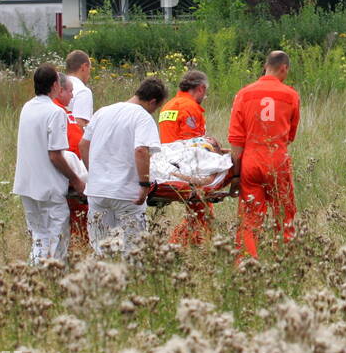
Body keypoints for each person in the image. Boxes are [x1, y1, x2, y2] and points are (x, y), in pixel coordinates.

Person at [81, 78, 167, 255]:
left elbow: (83, 144)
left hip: (97, 192)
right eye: (156, 108)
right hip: (126, 193)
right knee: (133, 251)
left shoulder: (102, 112)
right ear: (152, 101)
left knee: (102, 249)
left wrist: (94, 173)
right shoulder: (142, 117)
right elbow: (141, 150)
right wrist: (144, 185)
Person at [228, 51, 301, 258]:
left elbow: (236, 142)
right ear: (284, 68)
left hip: (250, 162)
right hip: (277, 160)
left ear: (265, 66)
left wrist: (236, 175)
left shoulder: (244, 94)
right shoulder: (291, 95)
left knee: (249, 218)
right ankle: (284, 260)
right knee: (284, 215)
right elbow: (290, 136)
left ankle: (246, 263)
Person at [12, 65, 86, 265]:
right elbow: (55, 155)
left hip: (27, 185)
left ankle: (34, 274)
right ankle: (53, 276)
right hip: (48, 187)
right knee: (56, 239)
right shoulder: (55, 112)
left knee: (39, 237)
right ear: (54, 85)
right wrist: (76, 180)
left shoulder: (27, 107)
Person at [158, 69, 215, 245]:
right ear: (200, 88)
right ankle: (179, 246)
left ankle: (184, 246)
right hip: (186, 170)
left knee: (198, 212)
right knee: (203, 212)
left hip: (168, 168)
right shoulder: (190, 108)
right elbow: (193, 146)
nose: (204, 96)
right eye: (205, 92)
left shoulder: (168, 106)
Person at [54, 77, 88, 244]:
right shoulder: (54, 112)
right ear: (60, 90)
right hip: (68, 176)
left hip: (75, 172)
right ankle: (77, 247)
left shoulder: (64, 111)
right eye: (70, 91)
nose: (73, 95)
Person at [64, 49, 94, 128]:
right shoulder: (83, 92)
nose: (89, 74)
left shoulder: (57, 87)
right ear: (84, 67)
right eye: (89, 69)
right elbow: (79, 125)